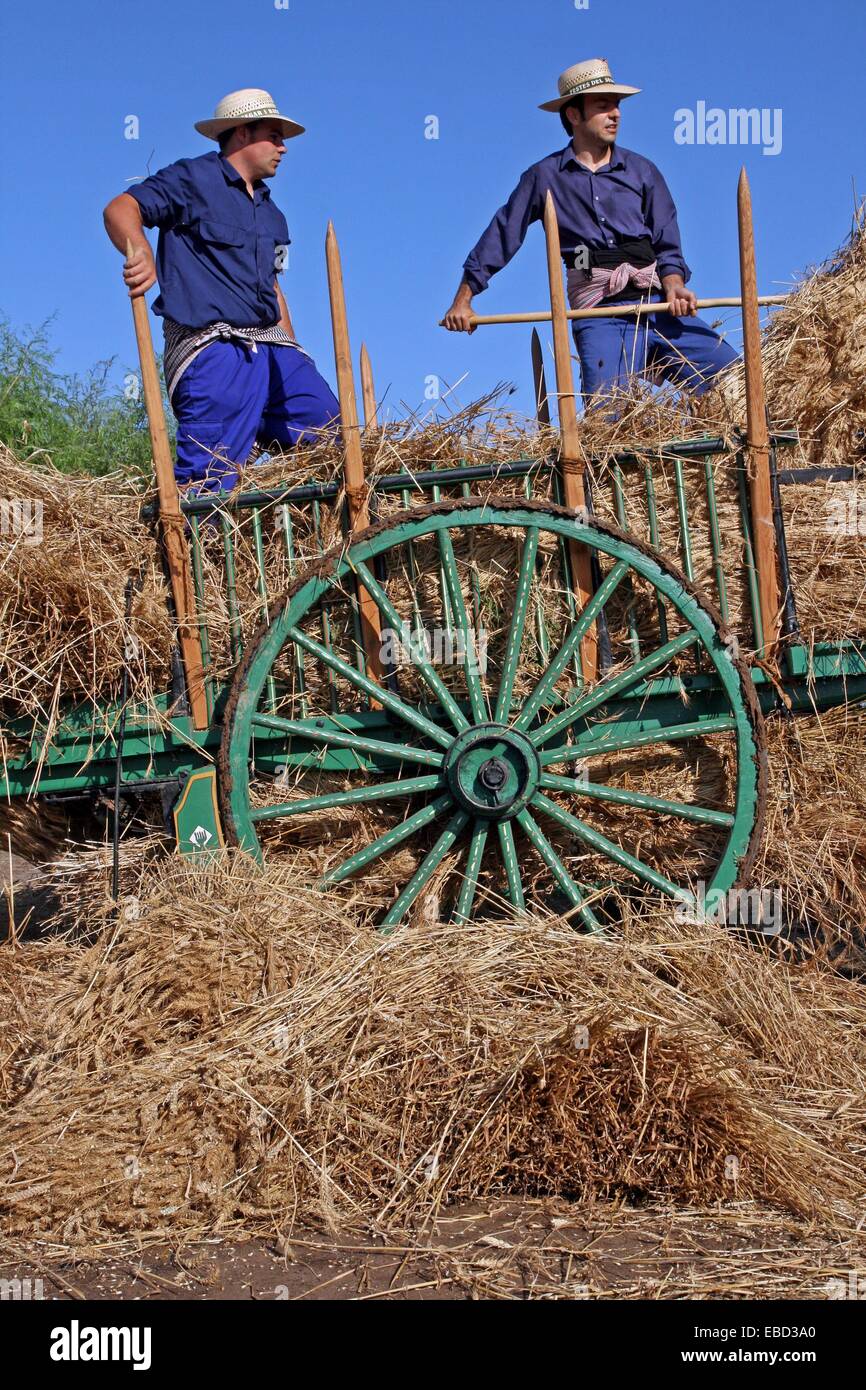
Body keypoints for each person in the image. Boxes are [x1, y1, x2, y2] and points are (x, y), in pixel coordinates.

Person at [442, 59, 739, 402]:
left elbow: (667, 242)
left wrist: (674, 286)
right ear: (573, 115)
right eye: (602, 106)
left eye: (616, 105)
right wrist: (464, 301)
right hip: (598, 314)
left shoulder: (642, 172)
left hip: (657, 304)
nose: (615, 114)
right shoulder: (544, 177)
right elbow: (503, 233)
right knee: (607, 417)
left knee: (735, 383)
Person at [103, 88, 340, 490]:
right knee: (210, 477)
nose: (283, 147)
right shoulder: (192, 178)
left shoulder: (274, 216)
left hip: (270, 344)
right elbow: (120, 208)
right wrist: (140, 249)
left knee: (332, 432)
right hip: (212, 347)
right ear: (242, 133)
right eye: (274, 135)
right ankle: (202, 543)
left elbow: (274, 287)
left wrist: (294, 352)